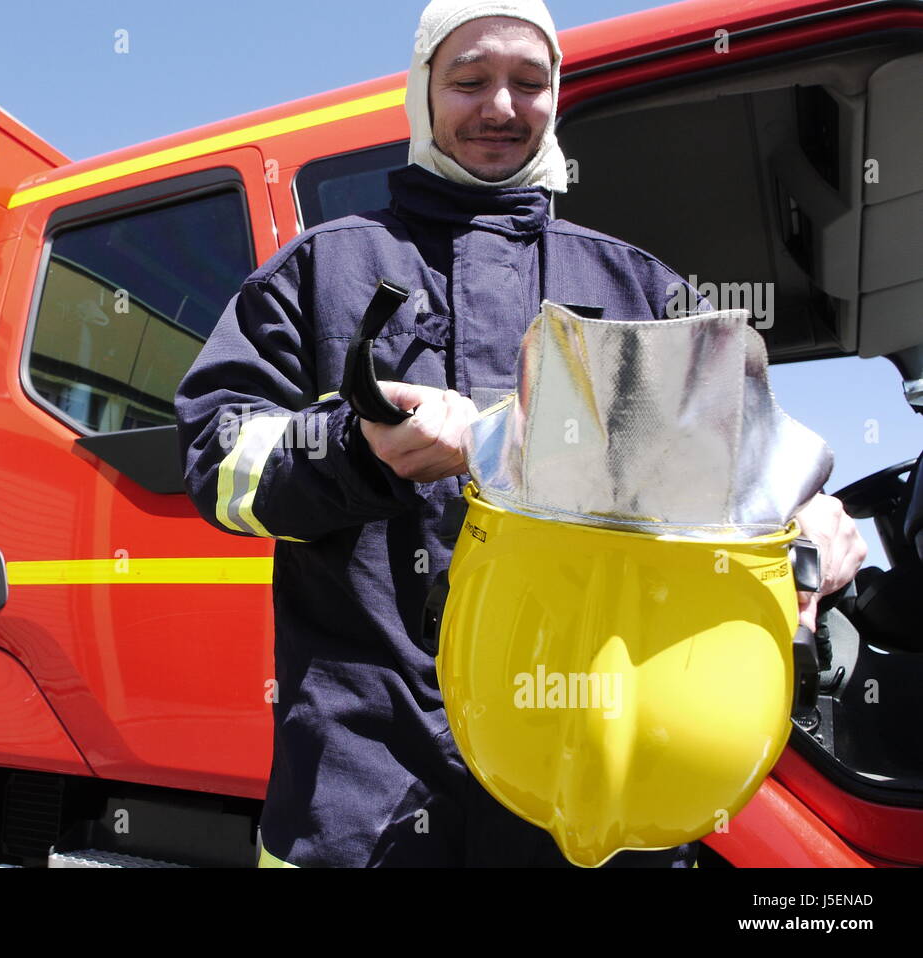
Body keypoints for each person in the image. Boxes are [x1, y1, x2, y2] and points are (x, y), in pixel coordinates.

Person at [175, 0, 866, 867]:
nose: (500, 106)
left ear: (555, 98)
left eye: (528, 83)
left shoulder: (640, 288)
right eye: (469, 80)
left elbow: (746, 464)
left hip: (598, 780)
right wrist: (354, 452)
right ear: (421, 93)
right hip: (364, 786)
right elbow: (217, 457)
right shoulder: (322, 270)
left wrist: (811, 514)